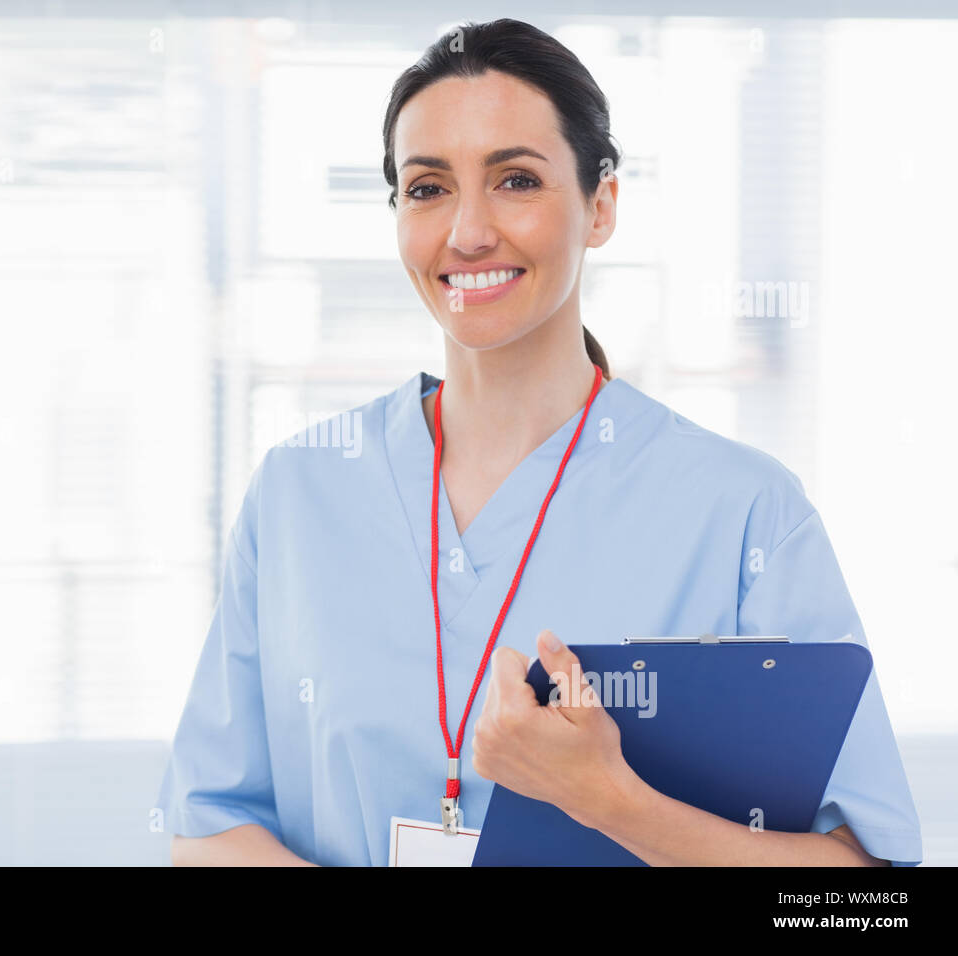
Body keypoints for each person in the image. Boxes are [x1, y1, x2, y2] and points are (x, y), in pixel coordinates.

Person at [155, 18, 923, 866]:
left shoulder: (743, 511)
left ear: (602, 206)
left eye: (516, 180)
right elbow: (206, 825)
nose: (468, 232)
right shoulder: (301, 490)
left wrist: (611, 802)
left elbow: (858, 886)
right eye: (427, 188)